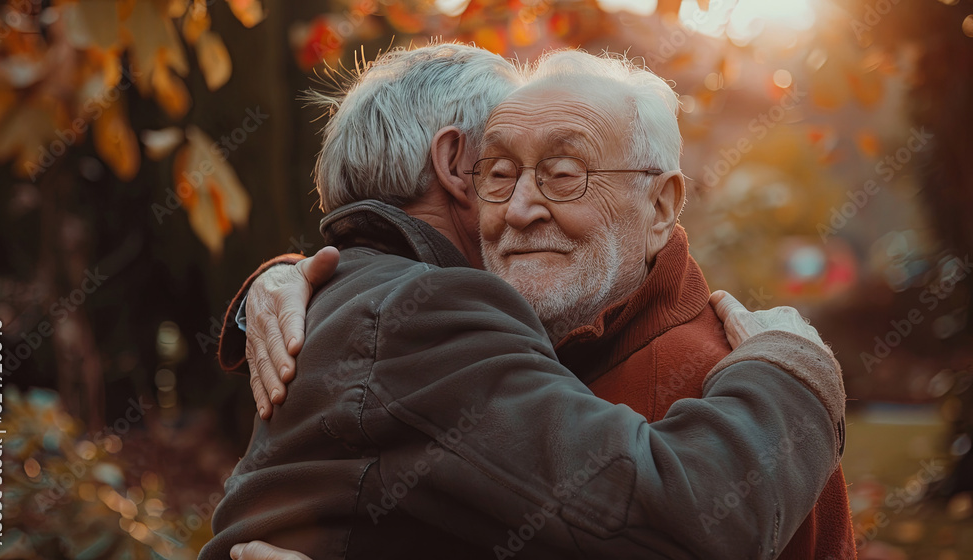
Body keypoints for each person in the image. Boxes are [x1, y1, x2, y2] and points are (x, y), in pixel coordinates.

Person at [200, 44, 846, 560]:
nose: (518, 206)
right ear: (459, 167)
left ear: (661, 206)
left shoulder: (708, 374)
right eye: (500, 170)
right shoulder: (427, 315)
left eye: (564, 171)